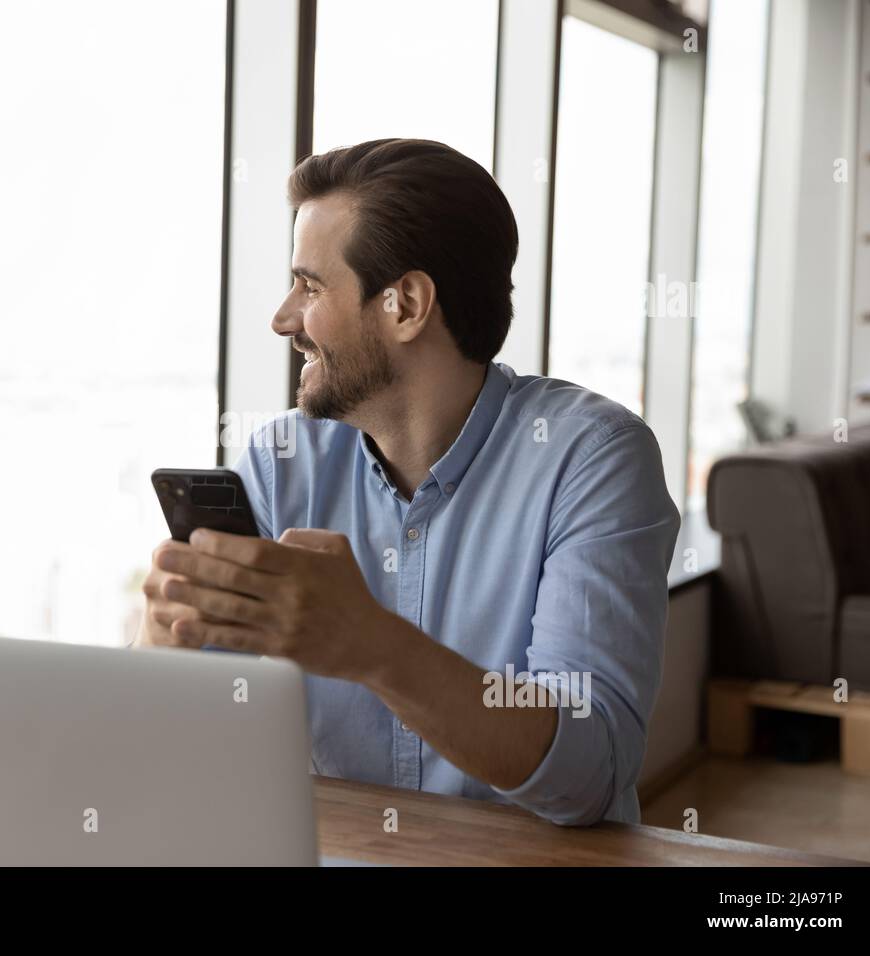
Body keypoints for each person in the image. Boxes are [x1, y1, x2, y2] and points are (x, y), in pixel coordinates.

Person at [137, 138, 680, 826]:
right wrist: (162, 641)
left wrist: (371, 645)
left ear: (407, 304)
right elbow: (196, 732)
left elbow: (590, 775)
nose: (283, 319)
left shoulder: (593, 458)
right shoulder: (281, 462)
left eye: (309, 287)